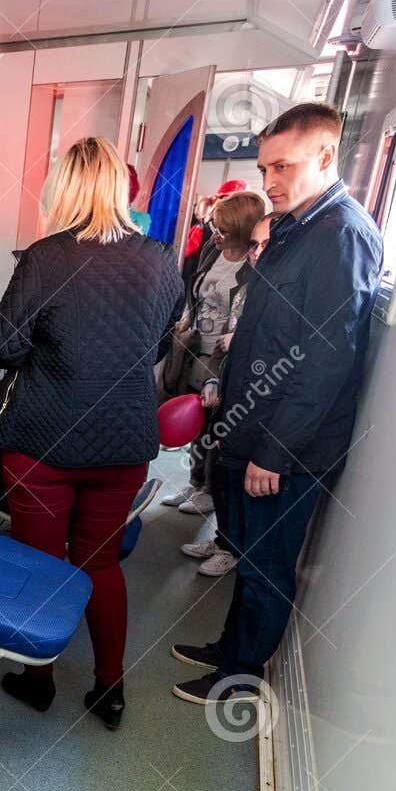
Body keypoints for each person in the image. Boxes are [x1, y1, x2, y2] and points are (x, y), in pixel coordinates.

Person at [172, 103, 382, 709]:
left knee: (266, 565)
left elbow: (327, 361)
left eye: (283, 166)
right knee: (249, 553)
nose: (270, 182)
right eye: (264, 167)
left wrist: (275, 452)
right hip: (254, 427)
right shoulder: (296, 227)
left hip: (285, 447)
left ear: (325, 157)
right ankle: (229, 648)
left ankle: (239, 675)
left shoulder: (341, 235)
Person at [0, 135, 183, 730]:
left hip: (45, 439)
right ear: (120, 188)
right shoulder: (160, 257)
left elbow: (0, 346)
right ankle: (110, 689)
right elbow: (161, 346)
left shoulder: (46, 256)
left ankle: (37, 680)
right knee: (99, 563)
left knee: (43, 564)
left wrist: (51, 342)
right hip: (123, 443)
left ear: (61, 189)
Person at [159, 190, 267, 528]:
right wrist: (189, 318)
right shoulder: (212, 251)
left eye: (223, 231)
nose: (215, 235)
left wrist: (235, 337)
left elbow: (253, 314)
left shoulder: (255, 266)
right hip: (196, 343)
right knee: (194, 417)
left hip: (222, 353)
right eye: (215, 228)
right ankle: (194, 483)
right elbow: (199, 291)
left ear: (241, 230)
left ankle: (207, 489)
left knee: (213, 422)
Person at [180, 211, 270, 578]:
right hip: (228, 377)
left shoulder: (272, 287)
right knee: (219, 462)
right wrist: (216, 379)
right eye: (254, 244)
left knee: (233, 475)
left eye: (265, 245)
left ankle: (230, 547)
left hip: (255, 394)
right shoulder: (247, 279)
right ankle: (223, 539)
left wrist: (240, 339)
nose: (257, 252)